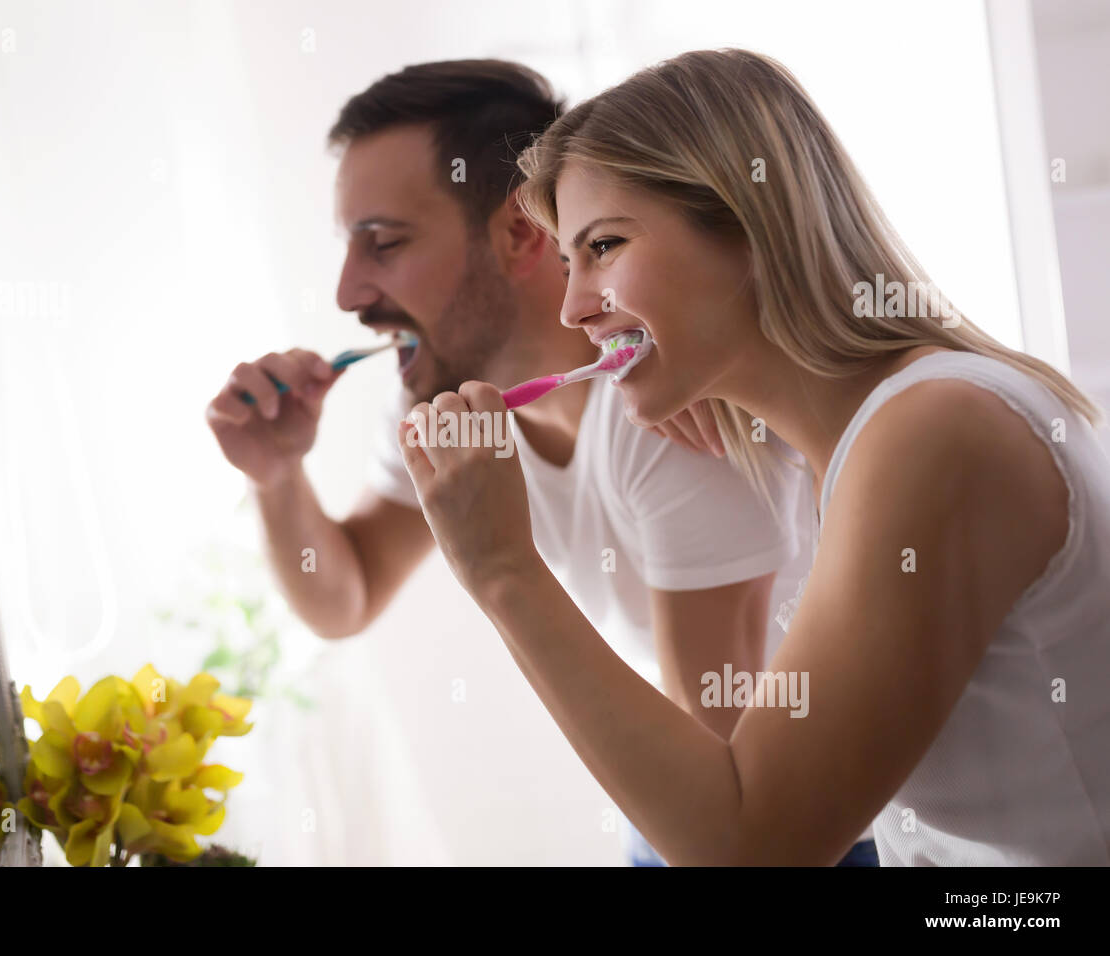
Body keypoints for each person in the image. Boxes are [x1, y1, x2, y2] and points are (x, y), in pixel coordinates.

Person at [395, 48, 1110, 865]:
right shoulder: (832, 447)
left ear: (750, 223)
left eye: (605, 247)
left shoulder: (935, 433)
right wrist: (711, 363)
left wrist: (501, 568)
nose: (575, 307)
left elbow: (750, 848)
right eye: (568, 262)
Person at [204, 60, 872, 864]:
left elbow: (730, 816)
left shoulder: (667, 420)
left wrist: (498, 567)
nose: (348, 293)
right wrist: (277, 476)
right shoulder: (448, 391)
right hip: (677, 807)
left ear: (521, 232)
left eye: (383, 243)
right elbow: (344, 598)